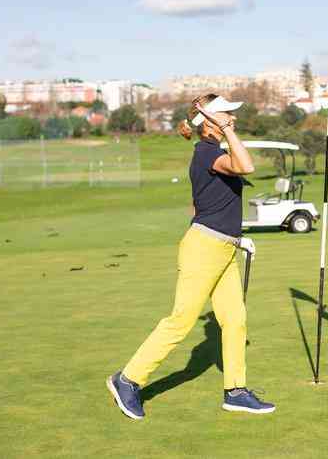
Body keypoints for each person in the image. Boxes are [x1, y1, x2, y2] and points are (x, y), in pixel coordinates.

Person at [107, 94, 275, 419]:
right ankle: (127, 380)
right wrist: (227, 131)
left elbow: (202, 205)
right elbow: (247, 165)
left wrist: (234, 238)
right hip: (205, 250)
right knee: (181, 321)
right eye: (227, 114)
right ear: (210, 121)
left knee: (235, 319)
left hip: (221, 248)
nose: (233, 118)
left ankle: (236, 390)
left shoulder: (214, 152)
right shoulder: (207, 152)